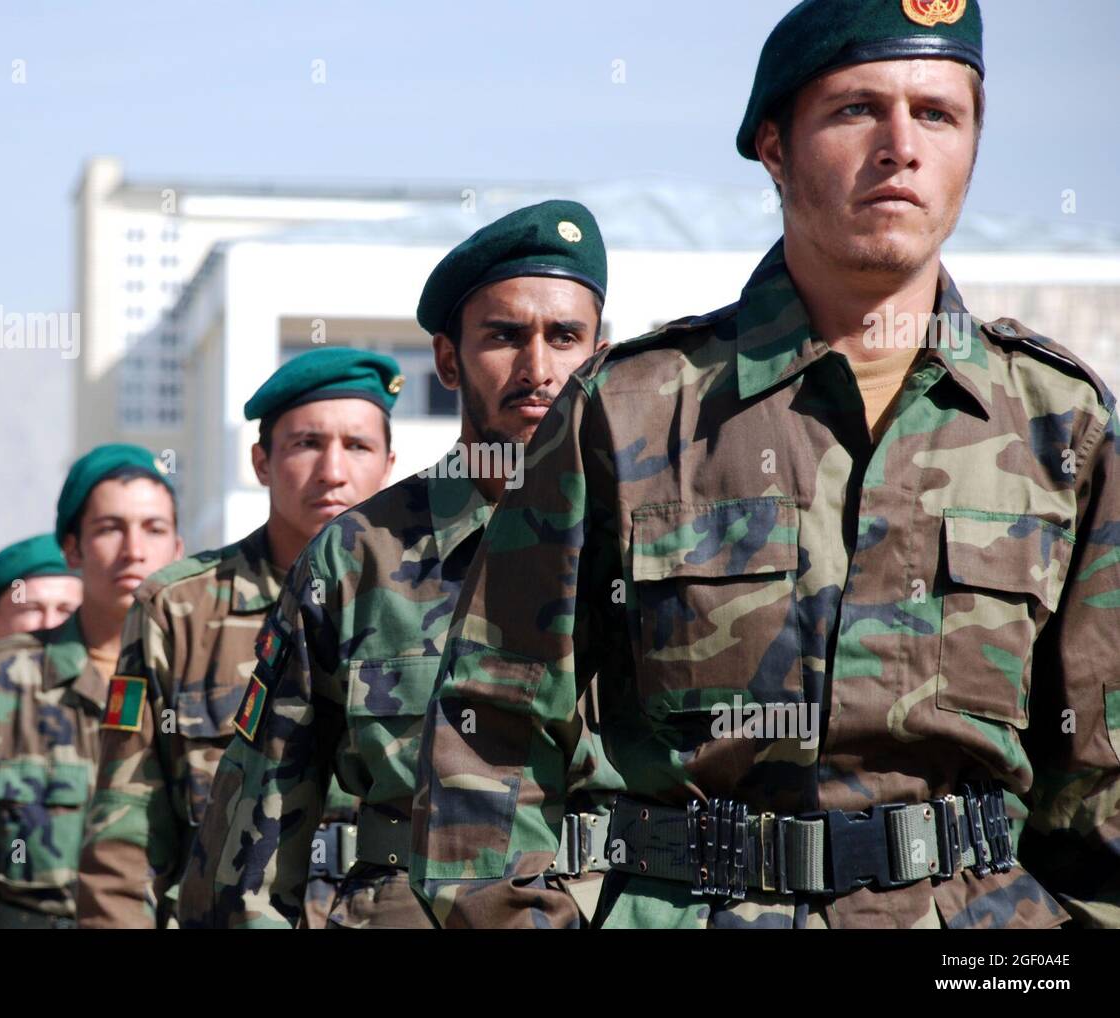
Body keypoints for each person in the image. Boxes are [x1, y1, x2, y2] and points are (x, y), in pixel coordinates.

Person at [410, 0, 1120, 929]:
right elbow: (490, 728)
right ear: (775, 149)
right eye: (857, 110)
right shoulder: (628, 410)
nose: (901, 148)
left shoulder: (1062, 423)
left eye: (938, 114)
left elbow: (1102, 779)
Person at [178, 200, 624, 928]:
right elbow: (257, 825)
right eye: (504, 336)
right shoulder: (359, 556)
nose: (538, 368)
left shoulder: (645, 547)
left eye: (564, 337)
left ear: (598, 356)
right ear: (447, 360)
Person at [76, 349, 399, 929]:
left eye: (357, 446)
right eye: (306, 444)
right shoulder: (177, 608)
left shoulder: (434, 605)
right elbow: (126, 830)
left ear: (389, 465)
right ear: (261, 462)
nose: (332, 471)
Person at [0, 446, 183, 928]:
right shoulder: (4, 683)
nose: (134, 550)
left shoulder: (207, 678)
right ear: (72, 549)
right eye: (110, 528)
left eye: (154, 529)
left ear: (178, 549)